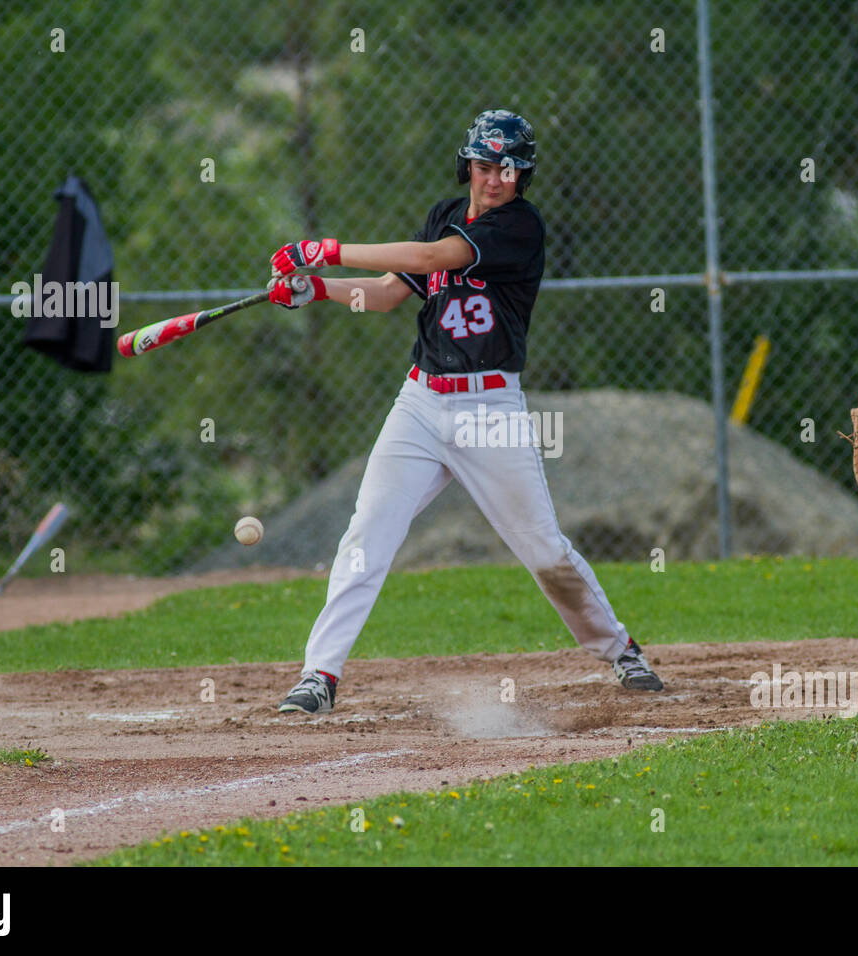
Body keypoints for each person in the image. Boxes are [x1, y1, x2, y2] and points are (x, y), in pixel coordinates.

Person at [263, 109, 662, 716]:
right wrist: (318, 288)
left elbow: (430, 259)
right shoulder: (446, 213)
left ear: (521, 175)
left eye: (507, 168)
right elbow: (391, 295)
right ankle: (319, 674)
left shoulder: (520, 227)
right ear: (467, 165)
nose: (493, 179)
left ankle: (620, 650)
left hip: (489, 408)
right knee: (366, 535)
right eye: (483, 165)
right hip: (420, 403)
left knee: (545, 551)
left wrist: (328, 250)